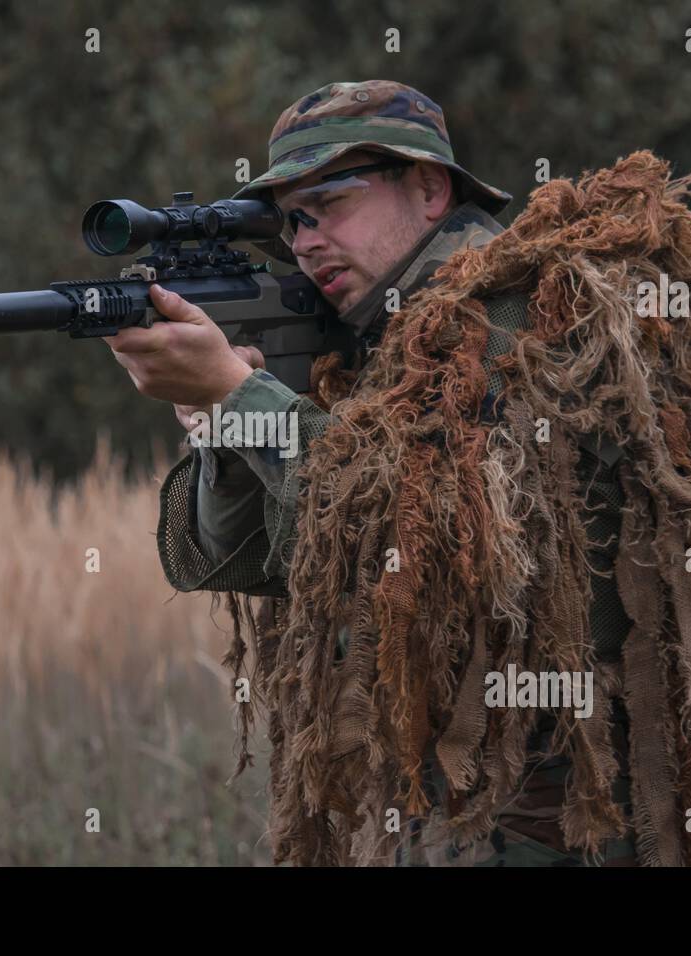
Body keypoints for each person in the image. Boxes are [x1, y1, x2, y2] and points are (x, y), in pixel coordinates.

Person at [105, 79, 637, 866]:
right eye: (287, 220)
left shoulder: (521, 321)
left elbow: (435, 542)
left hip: (560, 808)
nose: (305, 239)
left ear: (428, 188)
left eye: (330, 203)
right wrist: (225, 417)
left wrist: (240, 396)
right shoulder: (368, 344)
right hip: (439, 801)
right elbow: (232, 559)